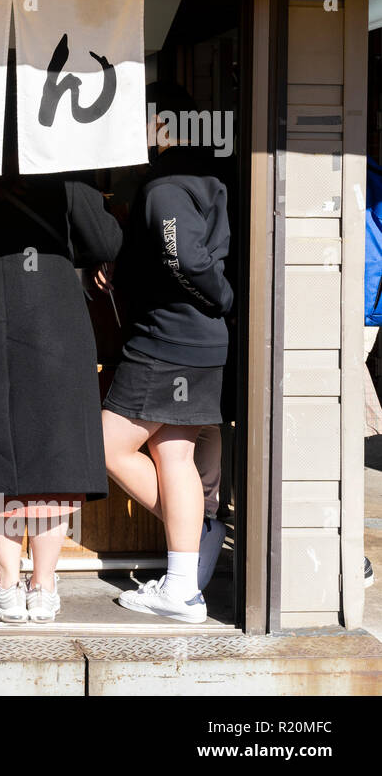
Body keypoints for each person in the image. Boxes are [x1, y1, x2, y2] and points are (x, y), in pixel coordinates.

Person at [0, 163, 122, 624]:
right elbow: (103, 240)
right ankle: (42, 588)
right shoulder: (60, 158)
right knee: (55, 452)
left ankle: (6, 587)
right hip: (54, 319)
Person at [102, 83, 234, 624]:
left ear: (161, 125)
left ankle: (194, 543)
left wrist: (219, 296)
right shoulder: (209, 178)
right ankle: (182, 582)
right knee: (174, 456)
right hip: (199, 343)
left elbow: (183, 257)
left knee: (105, 445)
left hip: (167, 343)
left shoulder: (164, 186)